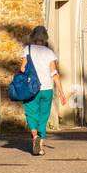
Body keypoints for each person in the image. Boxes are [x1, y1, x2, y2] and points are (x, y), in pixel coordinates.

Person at [18, 25, 66, 155]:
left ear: (33, 37)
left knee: (31, 114)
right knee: (43, 117)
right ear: (45, 38)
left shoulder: (26, 50)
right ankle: (40, 147)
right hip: (47, 89)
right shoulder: (49, 53)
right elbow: (54, 73)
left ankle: (35, 137)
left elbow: (22, 69)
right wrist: (61, 92)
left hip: (31, 89)